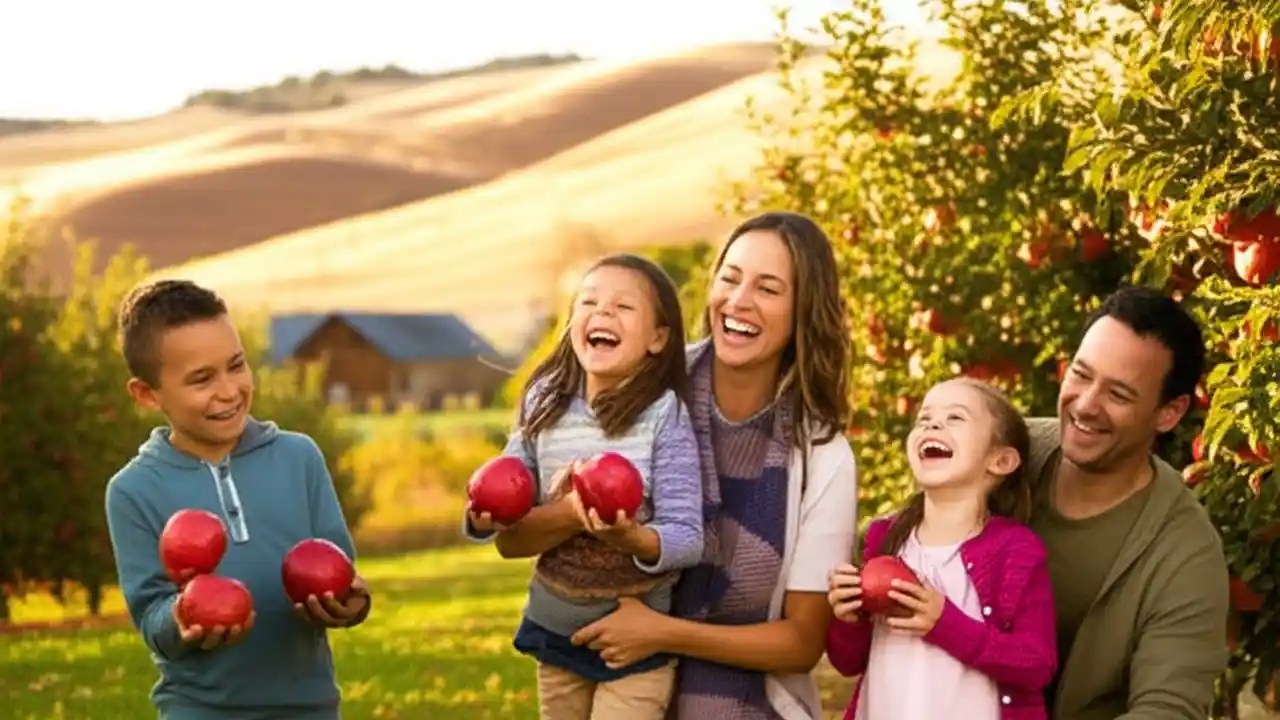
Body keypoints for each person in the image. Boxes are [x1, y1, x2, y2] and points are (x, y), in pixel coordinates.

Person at [567, 211, 859, 720]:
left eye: (768, 289)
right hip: (610, 688)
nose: (739, 301)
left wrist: (662, 633)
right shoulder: (646, 390)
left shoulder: (822, 453)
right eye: (730, 278)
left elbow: (801, 642)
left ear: (802, 311)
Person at [104, 280, 371, 720]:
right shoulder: (133, 491)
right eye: (201, 379)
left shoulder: (298, 457)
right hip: (200, 711)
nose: (229, 391)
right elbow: (152, 618)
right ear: (147, 394)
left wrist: (352, 605)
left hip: (310, 708)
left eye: (236, 365)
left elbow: (341, 571)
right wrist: (186, 616)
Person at [463, 253, 704, 720]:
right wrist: (479, 513)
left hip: (634, 647)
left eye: (623, 307)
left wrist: (634, 538)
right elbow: (508, 479)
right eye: (588, 301)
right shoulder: (544, 402)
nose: (602, 313)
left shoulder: (663, 416)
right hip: (555, 632)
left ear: (658, 338)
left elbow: (687, 534)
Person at [1025, 286, 1228, 718]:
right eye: (1080, 375)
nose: (1085, 405)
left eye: (1118, 395)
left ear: (1169, 413)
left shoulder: (1185, 554)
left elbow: (1166, 710)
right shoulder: (1004, 456)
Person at [826, 377, 1058, 720]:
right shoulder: (884, 538)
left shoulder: (1016, 550)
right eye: (924, 418)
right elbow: (848, 663)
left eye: (956, 418)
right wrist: (849, 619)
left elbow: (1037, 663)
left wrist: (945, 624)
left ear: (1002, 461)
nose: (932, 423)